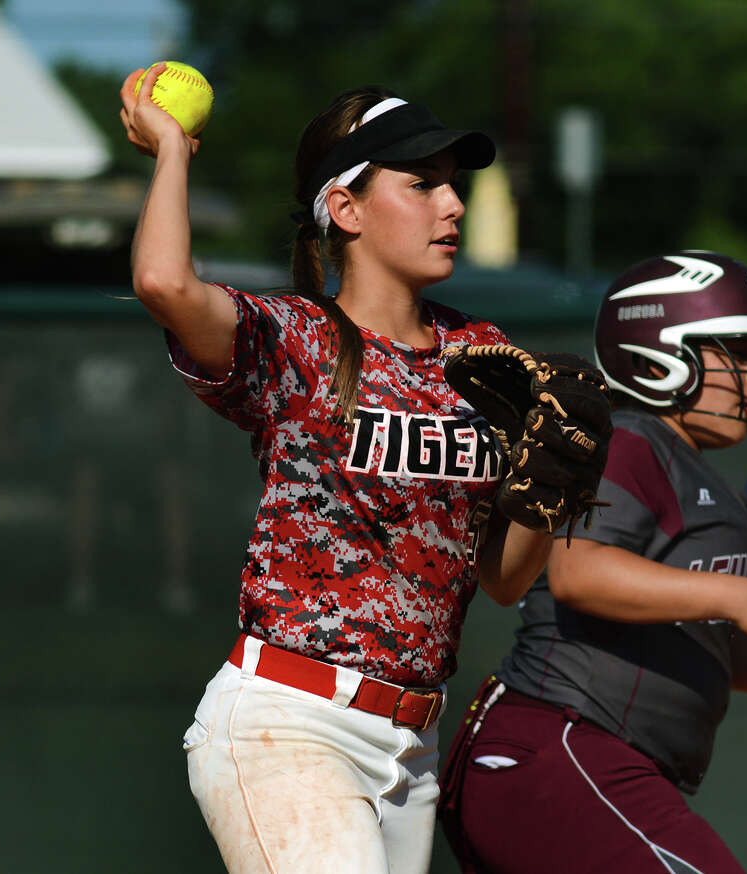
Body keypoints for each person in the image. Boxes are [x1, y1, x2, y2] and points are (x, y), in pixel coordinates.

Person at [119, 66, 571, 874]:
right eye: (422, 183)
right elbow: (163, 282)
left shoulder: (482, 353)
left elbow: (503, 580)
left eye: (453, 184)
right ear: (347, 207)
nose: (453, 204)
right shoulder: (298, 340)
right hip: (291, 723)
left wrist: (551, 486)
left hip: (412, 749)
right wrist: (172, 151)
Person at [437, 251, 747, 874]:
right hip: (557, 746)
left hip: (598, 762)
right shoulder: (630, 441)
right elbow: (579, 572)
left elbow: (706, 645)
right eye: (739, 353)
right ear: (656, 357)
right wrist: (738, 596)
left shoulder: (697, 476)